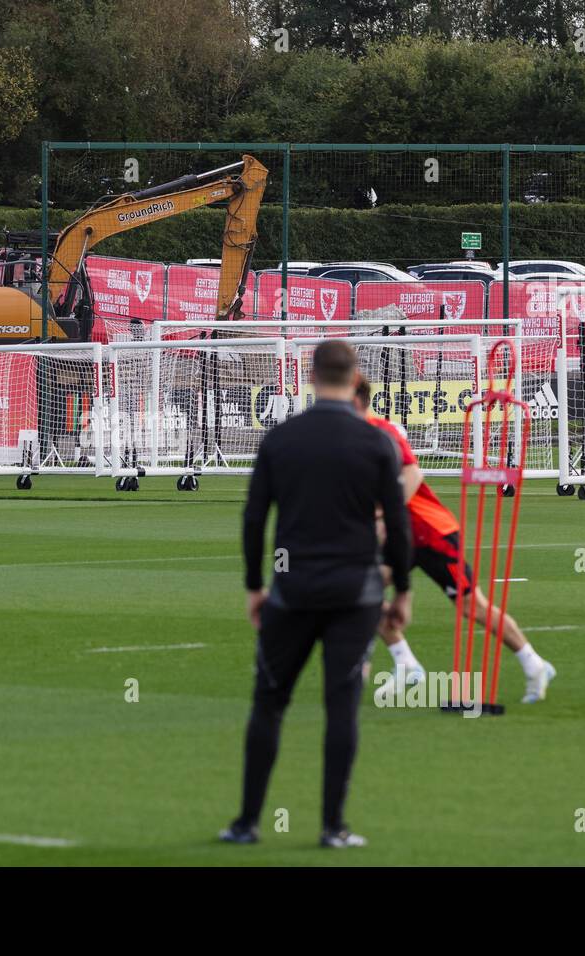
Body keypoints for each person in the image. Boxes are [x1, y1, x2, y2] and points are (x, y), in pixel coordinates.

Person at [221, 340, 412, 850]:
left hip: (293, 588)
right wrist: (405, 591)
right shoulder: (376, 442)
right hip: (357, 591)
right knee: (342, 707)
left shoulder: (282, 439)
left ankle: (245, 823)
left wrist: (254, 586)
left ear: (311, 377)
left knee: (269, 702)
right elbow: (397, 522)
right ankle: (333, 827)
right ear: (355, 380)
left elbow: (254, 518)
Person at [352, 380, 555, 704]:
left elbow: (413, 475)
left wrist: (381, 517)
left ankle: (534, 664)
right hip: (397, 535)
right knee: (361, 591)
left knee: (472, 607)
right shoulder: (343, 438)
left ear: (355, 398)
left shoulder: (382, 431)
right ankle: (405, 662)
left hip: (431, 532)